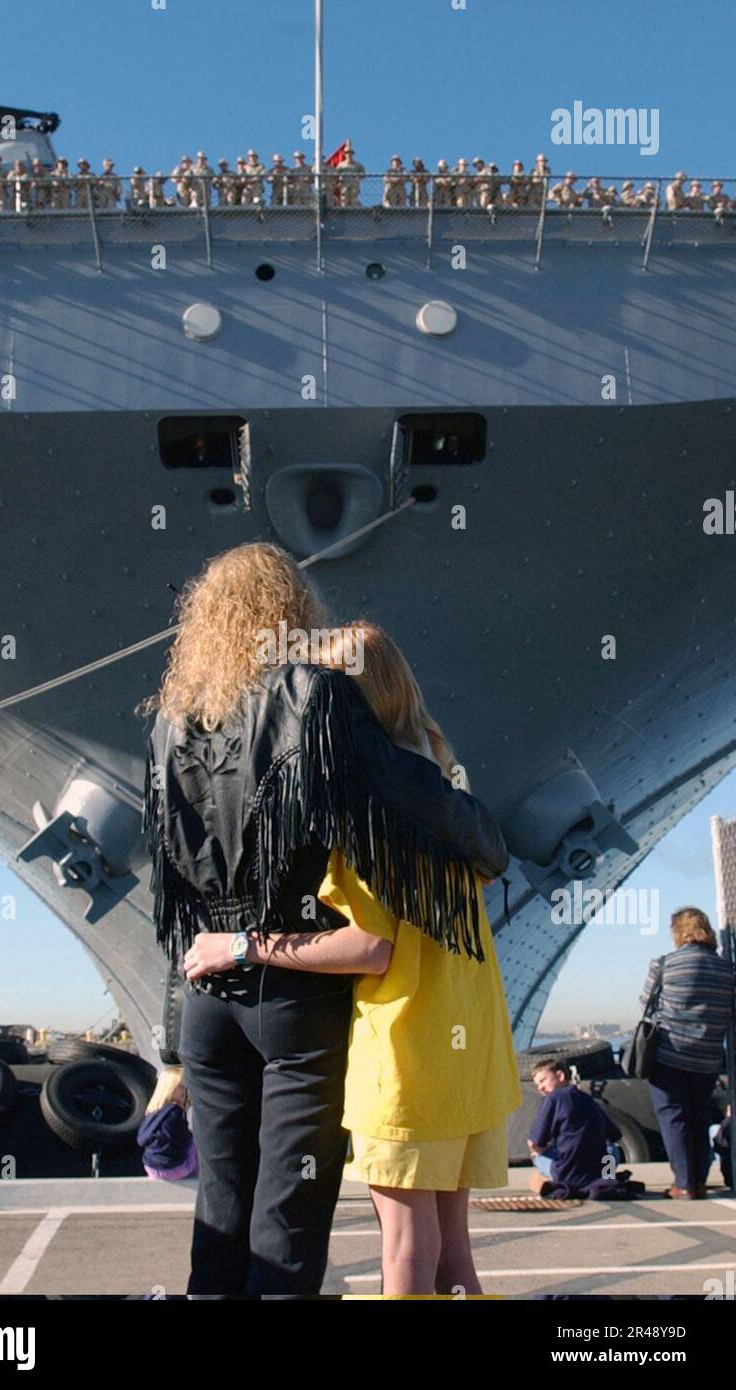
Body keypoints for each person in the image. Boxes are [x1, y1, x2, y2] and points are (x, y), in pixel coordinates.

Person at [141, 542, 508, 1298]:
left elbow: (171, 881)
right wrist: (482, 835)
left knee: (222, 1201)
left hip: (208, 995)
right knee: (290, 1209)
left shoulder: (170, 726)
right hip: (295, 991)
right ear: (292, 610)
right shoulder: (312, 691)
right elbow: (405, 796)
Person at [311, 623, 520, 1296]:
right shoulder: (451, 802)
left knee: (404, 1246)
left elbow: (372, 946)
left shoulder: (368, 809)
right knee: (454, 1251)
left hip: (403, 1052)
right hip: (471, 1050)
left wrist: (249, 947)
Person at [641, 906, 736, 1198]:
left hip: (668, 1055)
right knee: (698, 1117)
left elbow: (646, 1003)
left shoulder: (665, 964)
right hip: (707, 1057)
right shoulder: (726, 969)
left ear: (678, 932)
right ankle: (699, 1181)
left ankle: (684, 1183)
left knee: (673, 1116)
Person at [527, 1060, 621, 1195]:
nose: (540, 1088)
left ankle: (557, 1177)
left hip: (567, 1175)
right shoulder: (588, 1099)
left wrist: (542, 1150)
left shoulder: (552, 1098)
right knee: (613, 1148)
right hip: (598, 1173)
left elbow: (534, 1143)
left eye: (543, 1081)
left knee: (536, 1155)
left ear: (560, 1076)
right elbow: (615, 1135)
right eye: (537, 1085)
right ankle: (607, 1177)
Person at [137, 1066, 198, 1181]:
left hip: (151, 1167)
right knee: (196, 1142)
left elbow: (142, 1139)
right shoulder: (175, 1112)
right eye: (180, 1087)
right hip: (174, 1169)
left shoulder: (152, 1111)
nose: (184, 1091)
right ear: (169, 1088)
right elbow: (182, 1140)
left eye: (185, 1087)